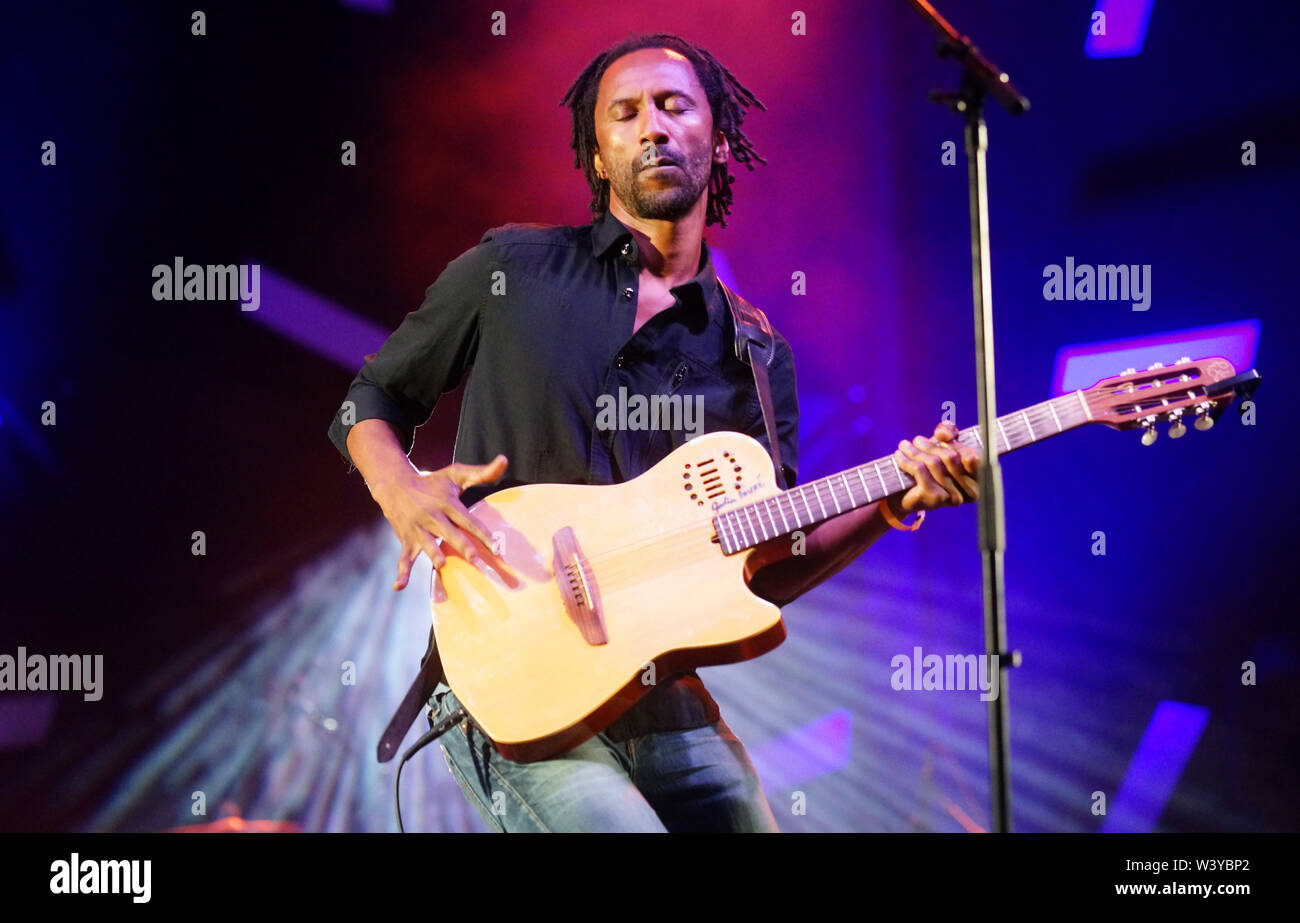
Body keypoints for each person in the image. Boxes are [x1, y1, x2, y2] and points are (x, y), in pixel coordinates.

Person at [327, 32, 980, 832]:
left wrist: (892, 501)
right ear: (598, 155)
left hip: (663, 697)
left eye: (674, 106)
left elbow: (767, 565)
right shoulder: (513, 271)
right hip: (512, 684)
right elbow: (373, 396)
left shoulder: (754, 349)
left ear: (721, 137)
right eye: (626, 113)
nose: (653, 127)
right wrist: (402, 490)